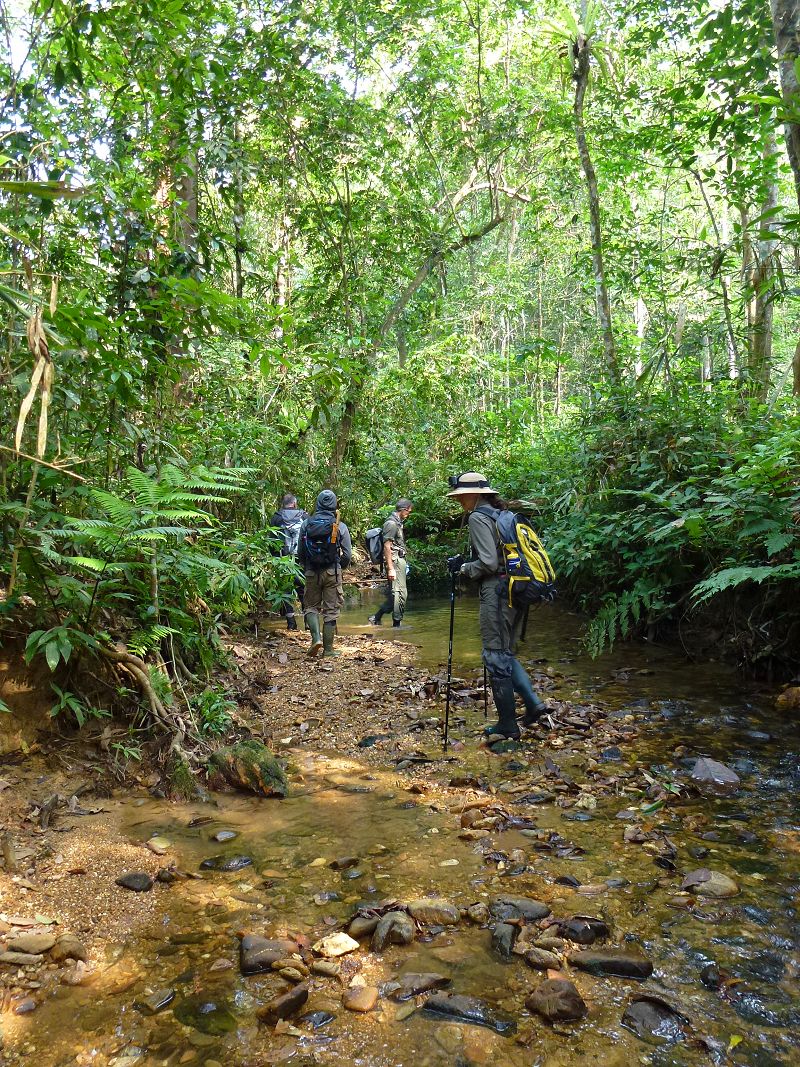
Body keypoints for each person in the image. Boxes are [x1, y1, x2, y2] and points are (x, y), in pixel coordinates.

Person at [447, 471, 546, 740]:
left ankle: (507, 724)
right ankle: (533, 704)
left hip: (497, 593)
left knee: (494, 655)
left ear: (474, 494)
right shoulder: (501, 514)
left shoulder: (479, 518)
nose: (459, 502)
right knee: (506, 652)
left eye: (461, 497)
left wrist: (464, 567)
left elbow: (488, 563)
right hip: (517, 588)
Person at [297, 489, 352, 658]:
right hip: (331, 572)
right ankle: (328, 650)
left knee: (311, 606)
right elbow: (347, 554)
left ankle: (315, 639)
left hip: (311, 571)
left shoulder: (307, 524)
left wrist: (307, 566)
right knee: (331, 610)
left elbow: (300, 551)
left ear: (318, 503)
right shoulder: (339, 525)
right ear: (334, 504)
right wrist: (338, 567)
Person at [368, 497, 413, 628]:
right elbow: (387, 546)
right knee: (400, 593)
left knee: (396, 594)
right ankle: (397, 625)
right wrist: (391, 568)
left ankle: (376, 618)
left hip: (399, 561)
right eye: (408, 511)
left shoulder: (398, 523)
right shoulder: (391, 524)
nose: (409, 514)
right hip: (395, 562)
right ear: (403, 510)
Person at [270, 493, 308, 630]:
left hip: (283, 560)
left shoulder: (276, 518)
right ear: (295, 503)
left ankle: (291, 624)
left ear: (283, 504)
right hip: (301, 560)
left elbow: (272, 541)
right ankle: (308, 623)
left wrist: (276, 559)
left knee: (286, 591)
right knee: (303, 590)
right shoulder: (304, 517)